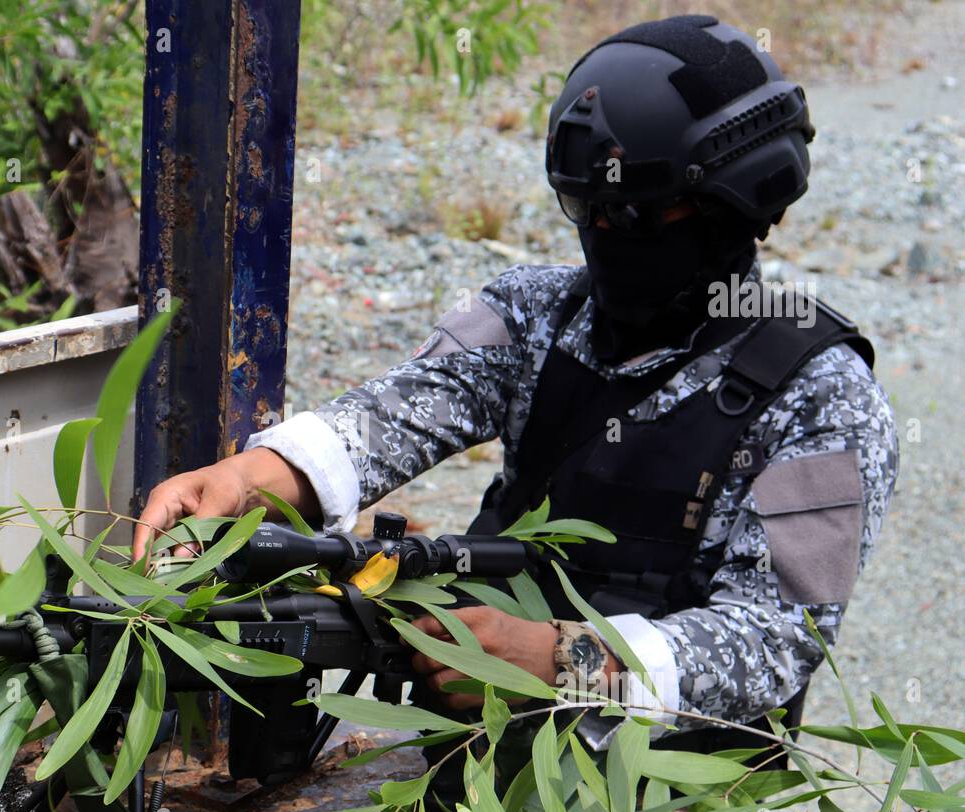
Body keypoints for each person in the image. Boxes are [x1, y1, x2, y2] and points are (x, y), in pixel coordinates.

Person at [132, 15, 898, 756]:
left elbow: (777, 637)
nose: (600, 236)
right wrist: (248, 477)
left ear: (732, 204)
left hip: (678, 805)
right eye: (583, 209)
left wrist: (566, 664)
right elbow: (396, 414)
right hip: (475, 757)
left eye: (629, 212)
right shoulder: (534, 311)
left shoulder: (824, 394)